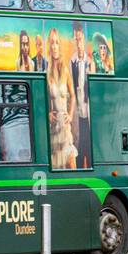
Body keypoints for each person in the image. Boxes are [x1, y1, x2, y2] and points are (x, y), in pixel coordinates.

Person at [46, 27, 77, 169]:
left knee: (71, 162)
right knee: (57, 167)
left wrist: (70, 115)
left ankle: (79, 191)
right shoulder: (47, 73)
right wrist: (48, 113)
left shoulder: (65, 70)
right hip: (54, 128)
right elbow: (44, 100)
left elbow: (73, 95)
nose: (54, 46)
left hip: (65, 126)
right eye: (52, 43)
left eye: (57, 43)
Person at [70, 22, 94, 169]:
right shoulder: (72, 61)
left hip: (88, 113)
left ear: (83, 39)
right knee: (79, 149)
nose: (79, 43)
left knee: (89, 152)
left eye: (80, 39)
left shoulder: (90, 61)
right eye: (76, 40)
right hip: (78, 115)